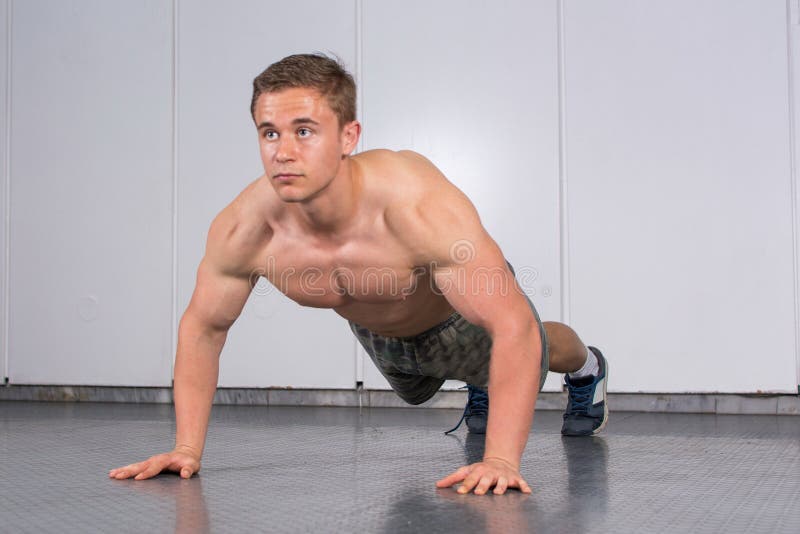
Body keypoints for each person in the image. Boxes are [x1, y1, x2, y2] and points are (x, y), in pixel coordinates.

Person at [108, 53, 609, 496]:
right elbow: (204, 328)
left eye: (304, 130)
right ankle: (484, 382)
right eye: (269, 132)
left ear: (349, 136)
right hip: (381, 336)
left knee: (536, 343)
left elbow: (512, 327)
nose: (283, 152)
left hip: (457, 316)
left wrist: (499, 459)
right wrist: (186, 448)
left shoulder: (415, 207)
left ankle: (587, 368)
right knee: (426, 388)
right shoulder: (245, 229)